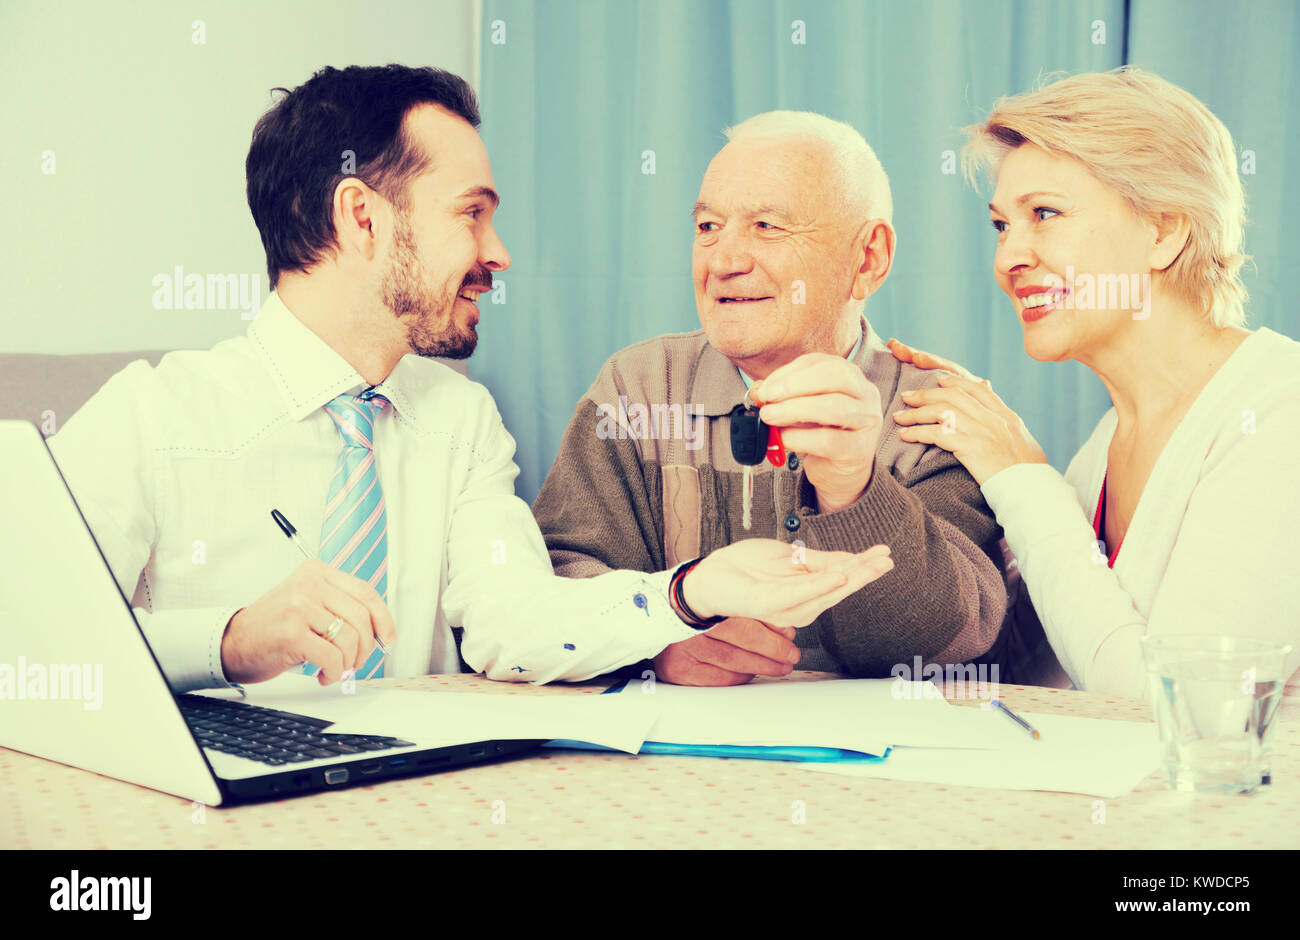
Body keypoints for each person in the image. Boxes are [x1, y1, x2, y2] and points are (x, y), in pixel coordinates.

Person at [48, 65, 894, 693]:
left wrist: (692, 590)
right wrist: (225, 640)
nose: (499, 254)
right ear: (361, 217)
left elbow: (516, 624)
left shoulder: (459, 423)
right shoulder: (150, 416)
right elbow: (34, 654)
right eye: (471, 213)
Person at [533, 111, 1014, 687]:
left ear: (868, 259)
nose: (723, 261)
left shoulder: (935, 413)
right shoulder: (635, 387)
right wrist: (650, 638)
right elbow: (546, 585)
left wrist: (852, 489)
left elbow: (951, 643)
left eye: (766, 226)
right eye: (708, 226)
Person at [889, 67, 1300, 699]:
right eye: (1002, 225)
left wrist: (1018, 476)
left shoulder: (1279, 411)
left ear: (1164, 232)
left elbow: (1174, 710)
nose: (1008, 259)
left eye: (1045, 214)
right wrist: (953, 470)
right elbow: (1021, 670)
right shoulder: (1105, 445)